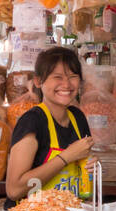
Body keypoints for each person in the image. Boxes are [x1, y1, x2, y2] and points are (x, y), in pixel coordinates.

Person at [5, 45, 93, 201]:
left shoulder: (78, 117)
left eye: (73, 76)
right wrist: (67, 157)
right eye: (57, 77)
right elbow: (14, 189)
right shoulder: (31, 121)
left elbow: (81, 167)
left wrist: (91, 167)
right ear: (38, 82)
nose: (66, 84)